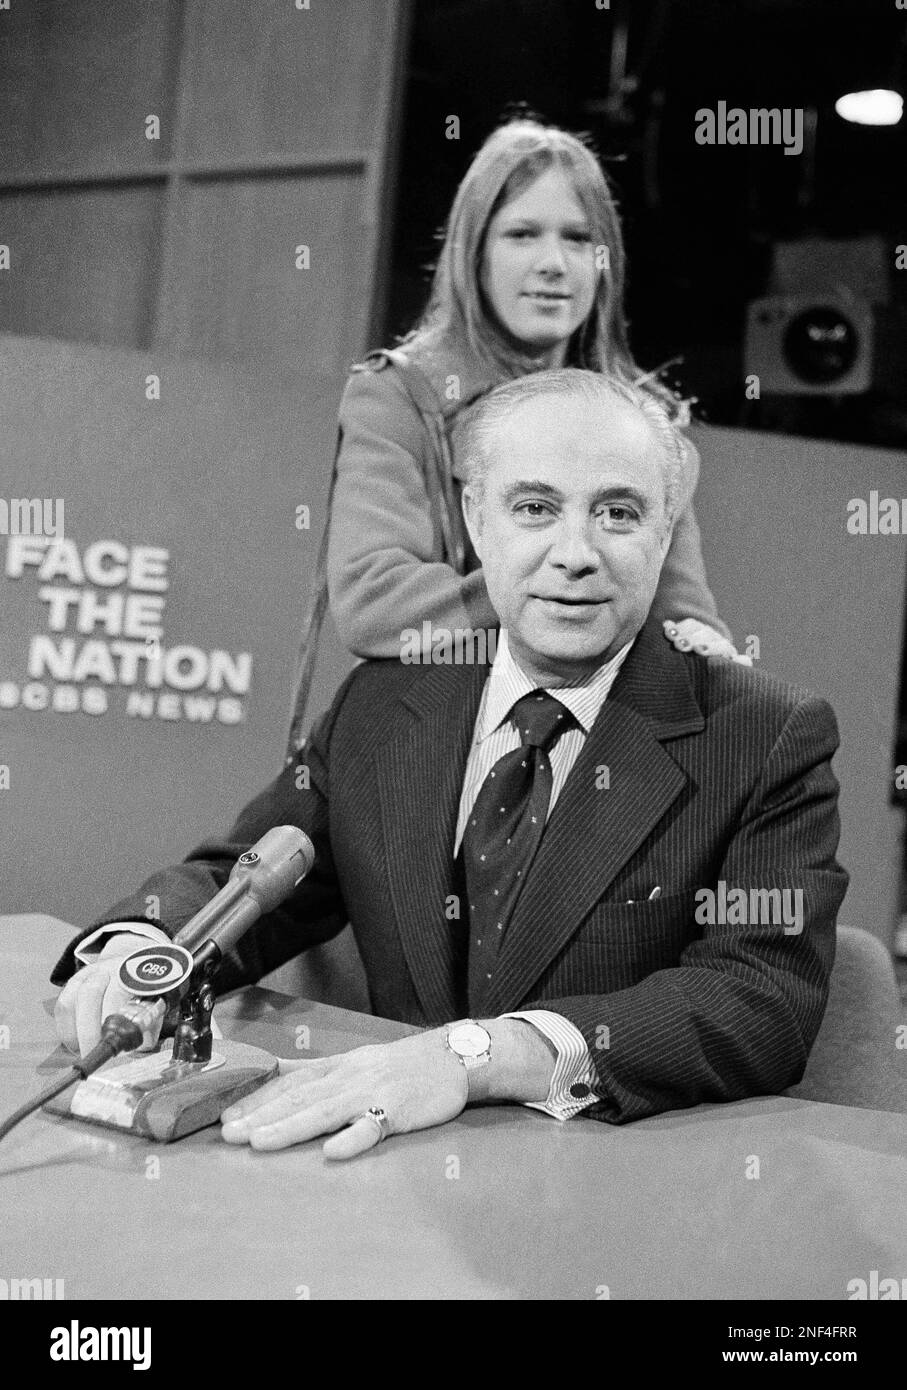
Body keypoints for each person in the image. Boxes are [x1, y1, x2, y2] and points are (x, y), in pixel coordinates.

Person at [52, 369, 847, 1160]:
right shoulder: (387, 702)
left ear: (665, 533)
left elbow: (758, 1000)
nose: (574, 553)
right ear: (475, 519)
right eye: (534, 509)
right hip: (385, 1173)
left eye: (617, 513)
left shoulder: (764, 735)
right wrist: (143, 947)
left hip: (606, 1191)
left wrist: (475, 1058)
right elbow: (252, 874)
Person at [324, 117, 742, 684]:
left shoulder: (644, 424)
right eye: (523, 234)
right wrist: (558, 591)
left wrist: (706, 653)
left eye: (577, 238)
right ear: (475, 252)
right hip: (443, 736)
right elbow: (372, 604)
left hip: (598, 744)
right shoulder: (398, 396)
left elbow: (683, 621)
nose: (554, 263)